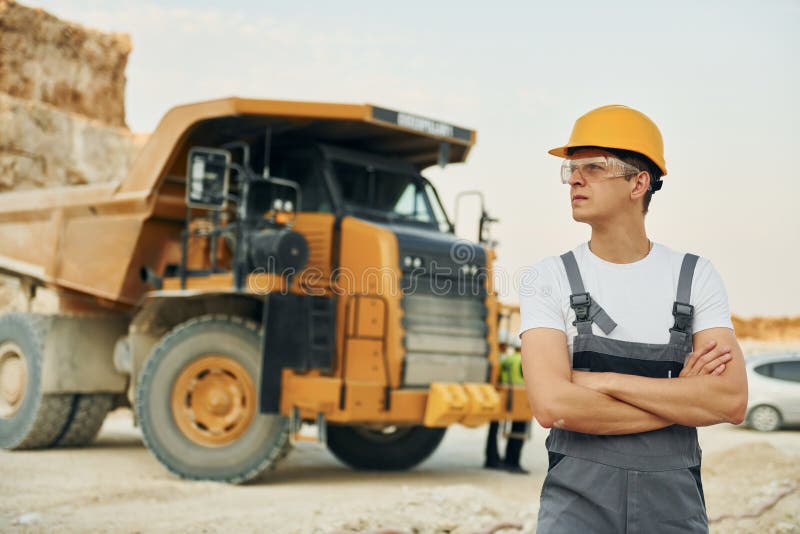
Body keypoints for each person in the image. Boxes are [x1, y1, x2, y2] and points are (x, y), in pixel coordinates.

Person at [518, 105, 748, 533]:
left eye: (593, 167)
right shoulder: (547, 278)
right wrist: (682, 397)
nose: (574, 179)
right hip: (576, 510)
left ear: (638, 182)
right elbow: (552, 405)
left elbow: (730, 401)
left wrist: (597, 381)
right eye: (571, 169)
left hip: (674, 511)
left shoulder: (695, 276)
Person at [484, 332, 530, 474]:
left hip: (504, 397)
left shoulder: (505, 359)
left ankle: (492, 458)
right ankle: (512, 461)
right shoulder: (523, 359)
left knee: (495, 428)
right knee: (518, 432)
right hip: (520, 399)